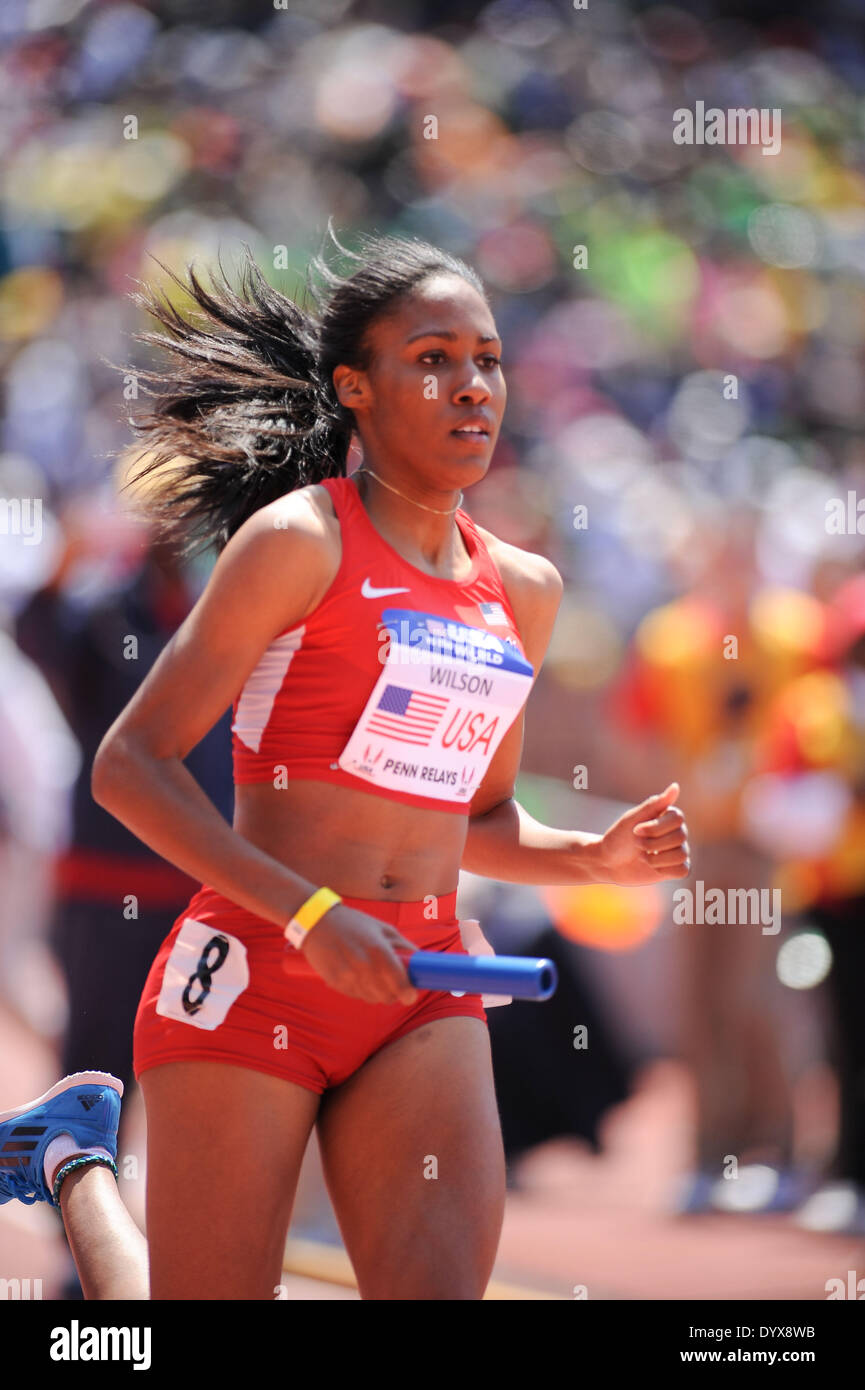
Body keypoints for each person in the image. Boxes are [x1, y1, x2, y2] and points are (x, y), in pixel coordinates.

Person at [2, 233, 689, 1300]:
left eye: (488, 359)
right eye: (433, 358)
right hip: (254, 968)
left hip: (422, 984)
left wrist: (591, 858)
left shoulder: (526, 588)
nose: (471, 386)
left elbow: (482, 817)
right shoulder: (297, 541)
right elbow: (129, 764)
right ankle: (75, 1165)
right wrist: (313, 914)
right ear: (354, 387)